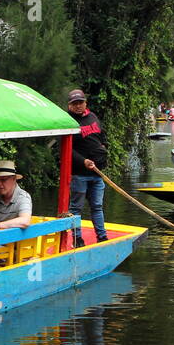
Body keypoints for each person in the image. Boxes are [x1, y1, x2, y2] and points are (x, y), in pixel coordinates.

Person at [65, 89, 106, 246]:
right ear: (69, 105)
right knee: (76, 208)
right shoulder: (68, 121)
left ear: (85, 103)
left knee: (97, 206)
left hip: (97, 173)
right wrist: (83, 161)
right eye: (74, 103)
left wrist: (104, 147)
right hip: (79, 174)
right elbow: (67, 149)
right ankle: (77, 239)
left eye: (80, 102)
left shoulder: (92, 117)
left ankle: (102, 237)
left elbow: (101, 136)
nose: (78, 106)